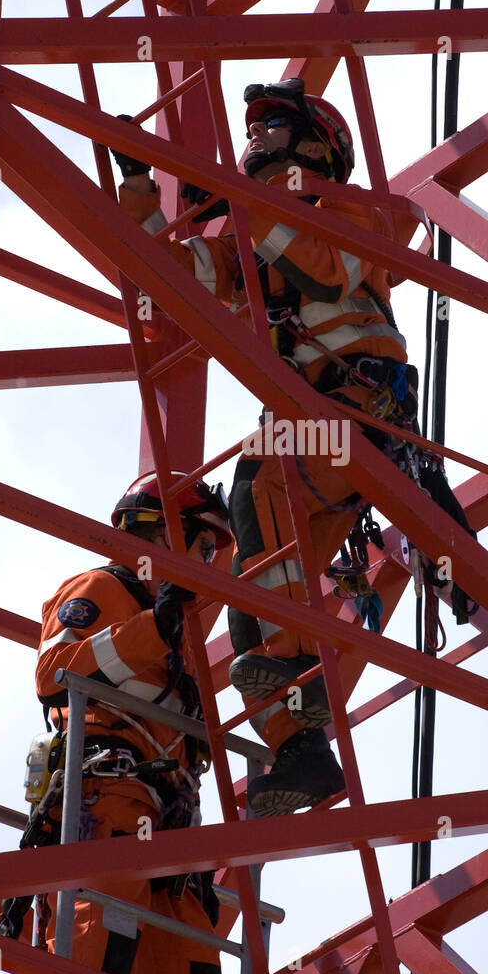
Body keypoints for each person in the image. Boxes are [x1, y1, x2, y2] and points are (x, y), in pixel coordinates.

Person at [113, 80, 461, 819]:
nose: (254, 143)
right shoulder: (255, 226)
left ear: (316, 147)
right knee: (251, 588)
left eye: (271, 129)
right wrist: (140, 192)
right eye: (255, 133)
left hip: (355, 414)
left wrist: (232, 200)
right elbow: (170, 282)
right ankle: (299, 746)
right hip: (327, 434)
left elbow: (314, 262)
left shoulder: (348, 211)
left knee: (257, 488)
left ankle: (297, 665)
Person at [27, 472, 233, 974]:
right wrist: (152, 630)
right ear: (161, 533)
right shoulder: (102, 590)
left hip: (172, 836)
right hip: (109, 801)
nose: (205, 564)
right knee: (100, 941)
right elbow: (53, 672)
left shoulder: (180, 629)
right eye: (200, 546)